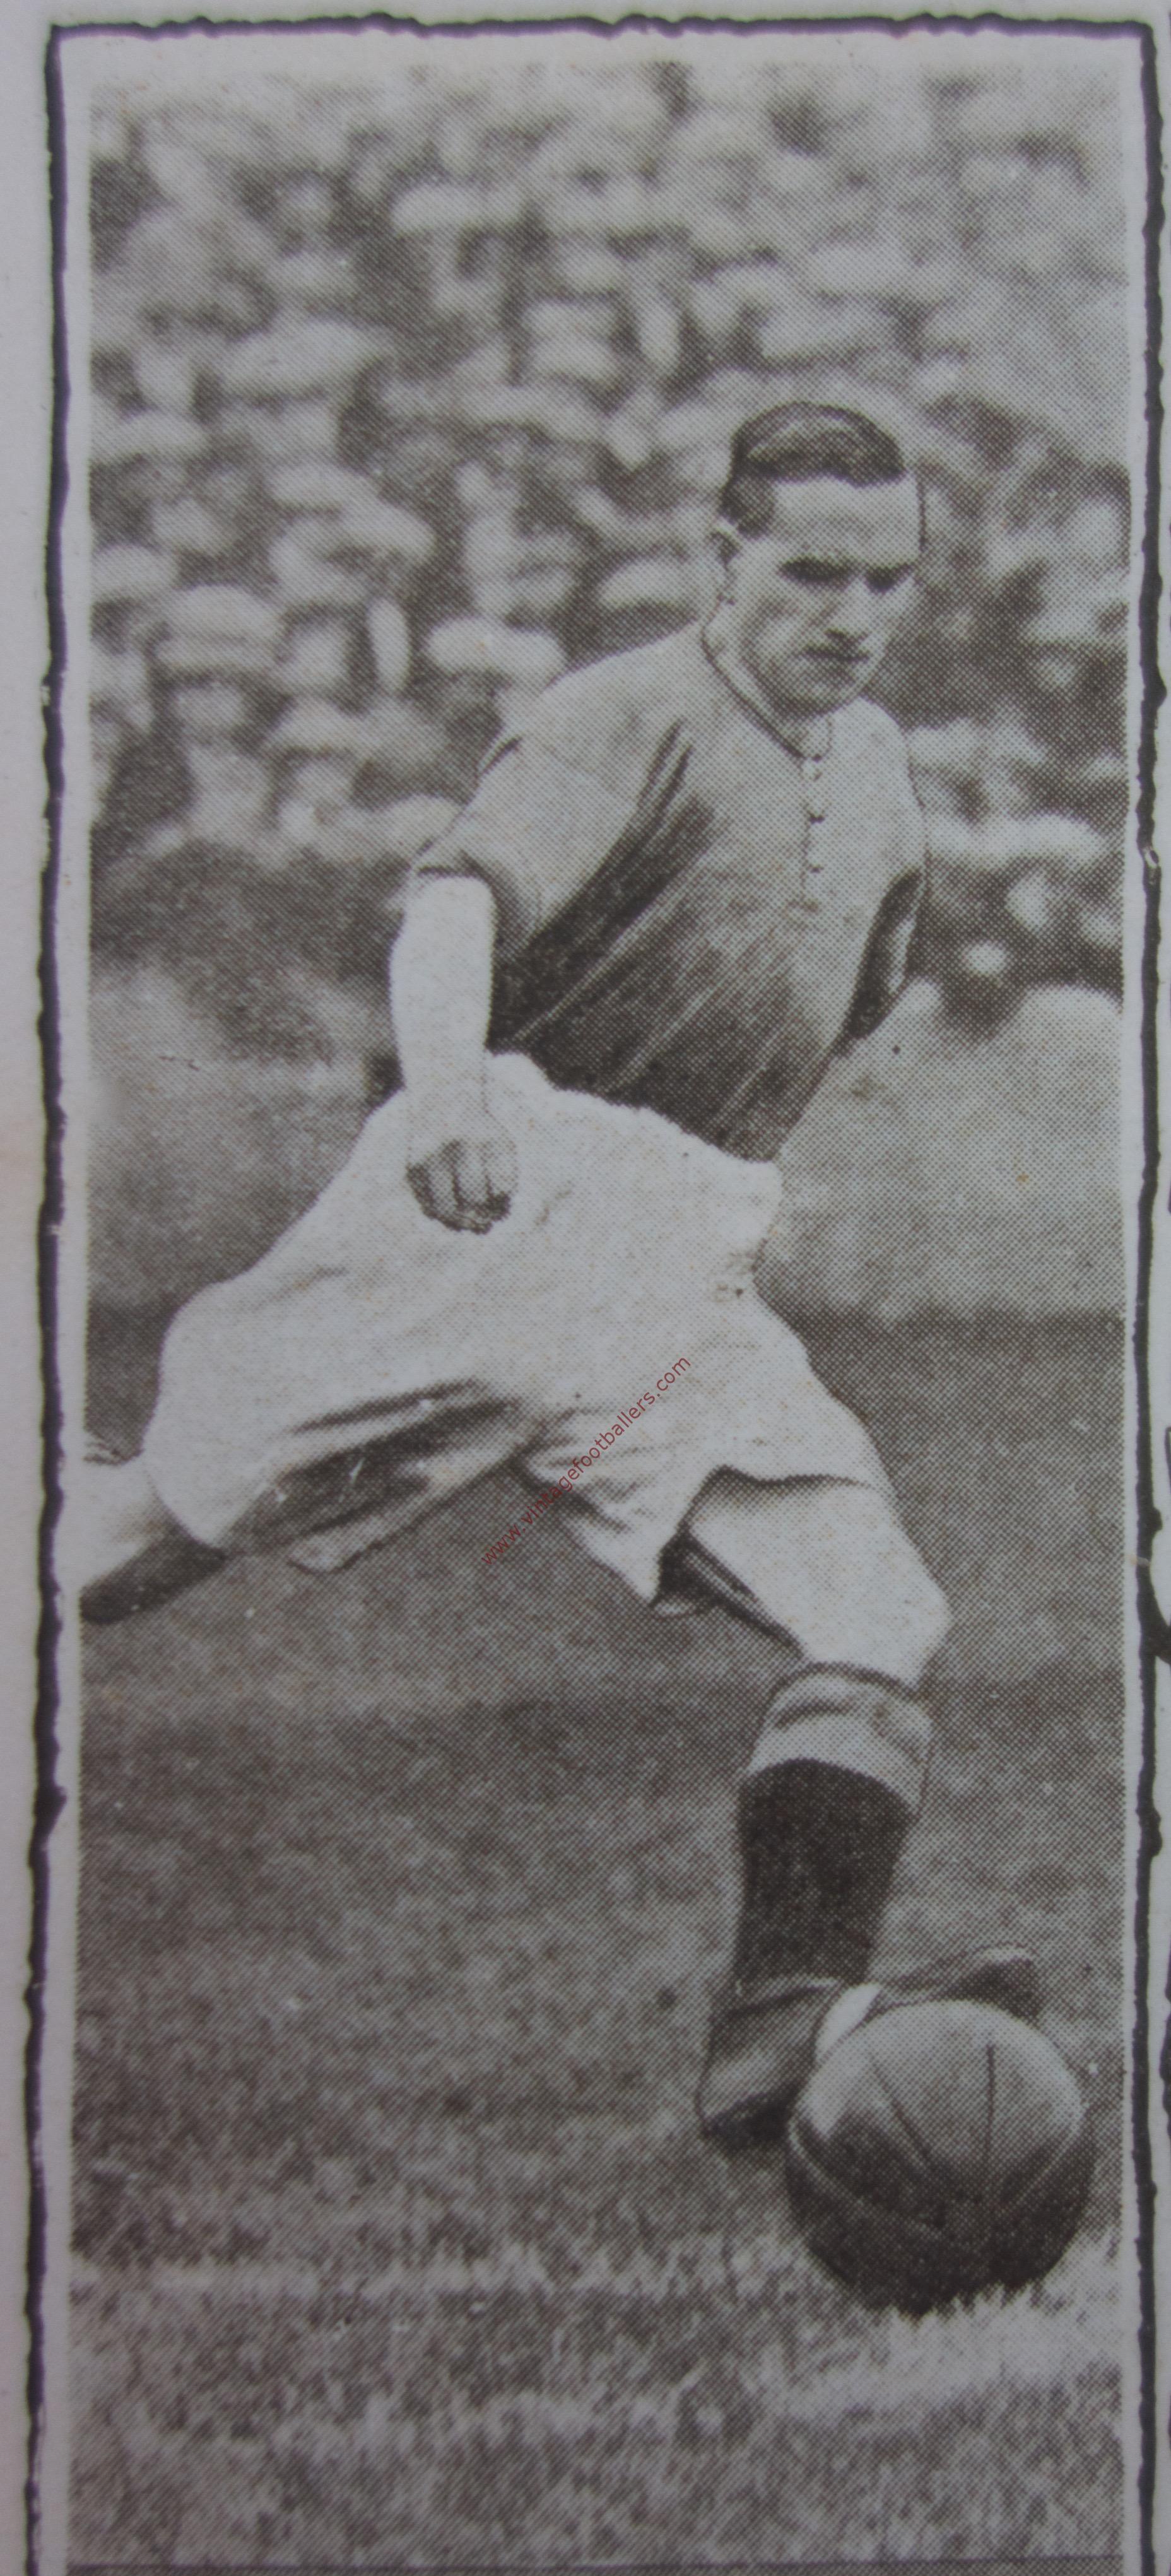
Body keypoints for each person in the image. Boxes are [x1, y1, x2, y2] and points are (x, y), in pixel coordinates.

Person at [78, 401, 1038, 2148]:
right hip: (492, 1202)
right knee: (127, 1551)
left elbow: (849, 987)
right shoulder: (627, 710)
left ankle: (778, 2017)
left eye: (886, 578)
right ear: (718, 553)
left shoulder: (882, 764)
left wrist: (724, 1178)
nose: (851, 612)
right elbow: (456, 901)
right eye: (810, 570)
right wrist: (444, 1084)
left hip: (666, 1254)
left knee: (876, 1613)